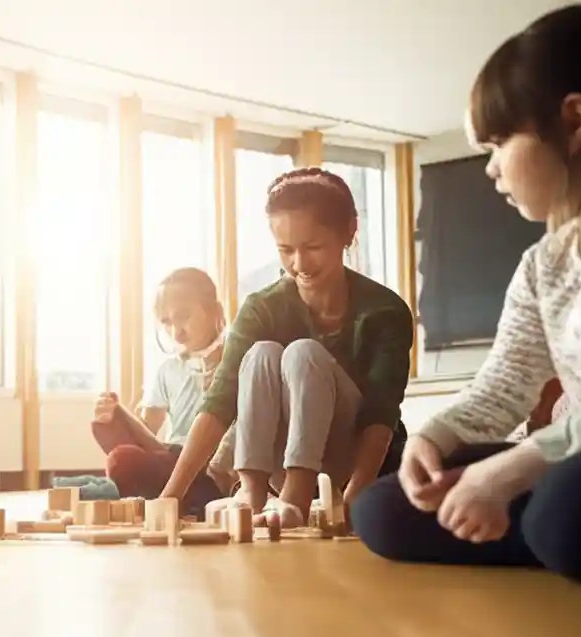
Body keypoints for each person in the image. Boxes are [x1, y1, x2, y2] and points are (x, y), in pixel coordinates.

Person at [352, 3, 581, 589]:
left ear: (574, 122)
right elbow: (505, 385)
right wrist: (437, 438)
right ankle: (552, 531)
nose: (491, 169)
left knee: (569, 504)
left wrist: (513, 469)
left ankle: (556, 527)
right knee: (384, 509)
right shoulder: (544, 266)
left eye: (498, 143)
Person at [159, 167, 413, 528]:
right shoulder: (262, 307)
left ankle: (296, 493)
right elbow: (220, 401)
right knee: (262, 352)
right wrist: (170, 496)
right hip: (282, 457)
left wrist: (358, 494)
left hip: (351, 464)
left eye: (312, 248)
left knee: (302, 353)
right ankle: (253, 490)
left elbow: (380, 414)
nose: (299, 264)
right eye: (285, 250)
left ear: (349, 232)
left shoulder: (384, 311)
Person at [91, 267, 226, 514]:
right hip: (171, 458)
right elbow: (148, 435)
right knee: (121, 449)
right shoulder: (168, 370)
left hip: (213, 469)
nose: (176, 332)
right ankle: (168, 495)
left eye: (184, 316)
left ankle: (147, 493)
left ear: (214, 312)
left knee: (123, 461)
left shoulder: (234, 361)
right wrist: (116, 414)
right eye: (166, 322)